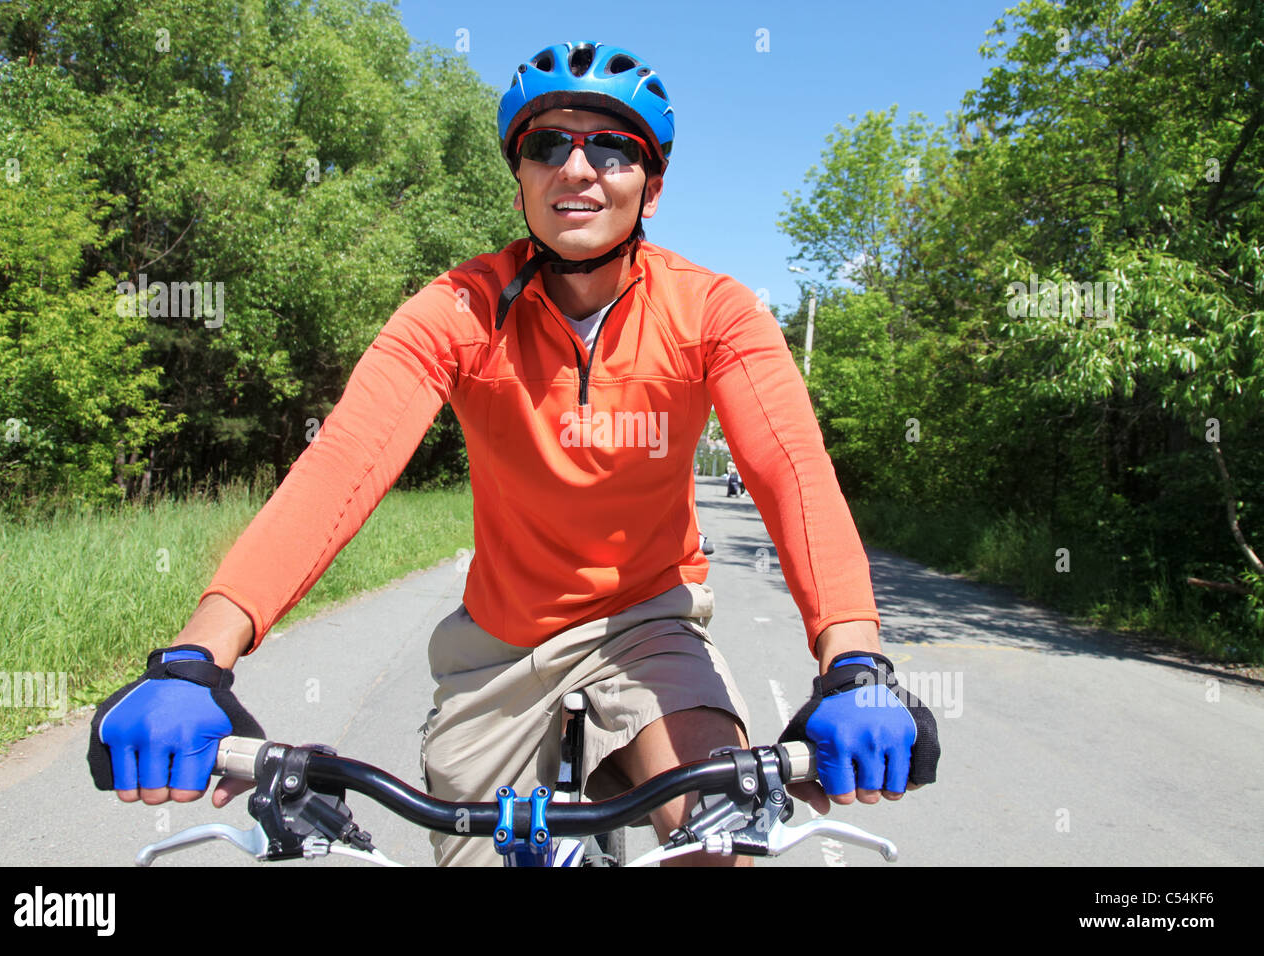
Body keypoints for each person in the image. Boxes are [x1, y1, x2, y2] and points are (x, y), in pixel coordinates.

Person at [88, 41, 938, 867]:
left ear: (653, 185)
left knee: (718, 837)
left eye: (611, 146)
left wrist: (853, 659)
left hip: (647, 624)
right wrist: (196, 659)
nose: (578, 168)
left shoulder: (715, 312)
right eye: (547, 145)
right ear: (522, 175)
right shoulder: (456, 309)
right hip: (497, 648)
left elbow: (793, 476)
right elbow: (339, 468)